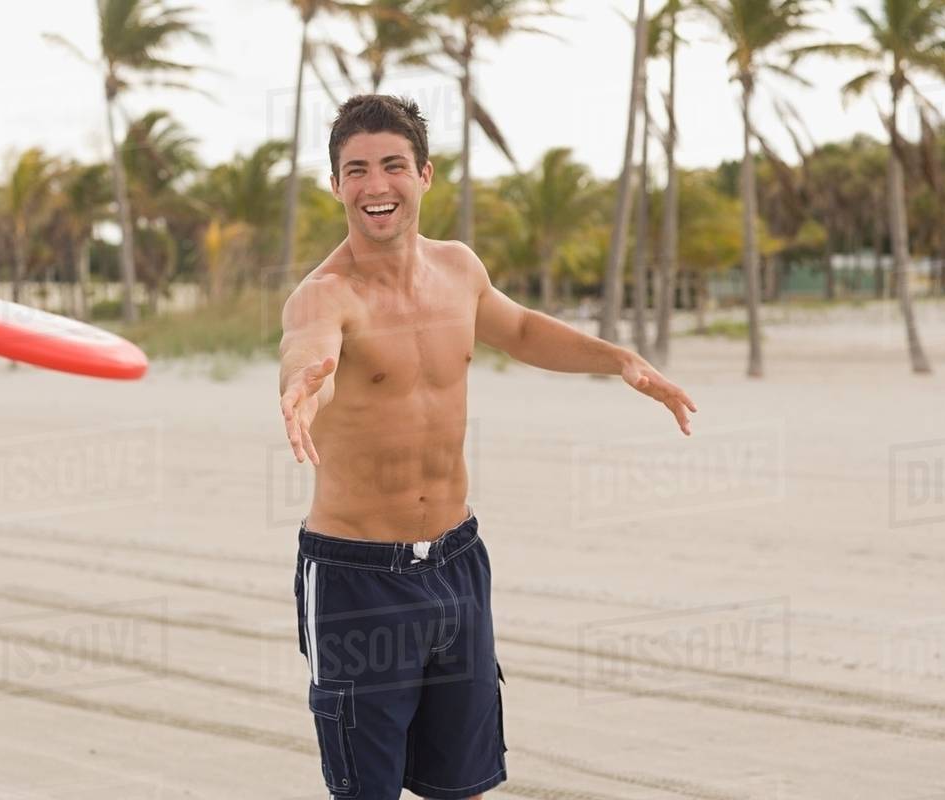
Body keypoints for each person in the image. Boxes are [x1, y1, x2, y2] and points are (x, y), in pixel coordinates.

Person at [278, 95, 697, 800]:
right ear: (335, 186)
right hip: (358, 579)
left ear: (425, 175)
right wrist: (300, 394)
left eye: (392, 166)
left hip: (457, 561)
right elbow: (308, 358)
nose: (375, 186)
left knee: (464, 784)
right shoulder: (324, 297)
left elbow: (525, 330)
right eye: (356, 171)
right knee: (366, 791)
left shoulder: (459, 270)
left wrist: (618, 358)